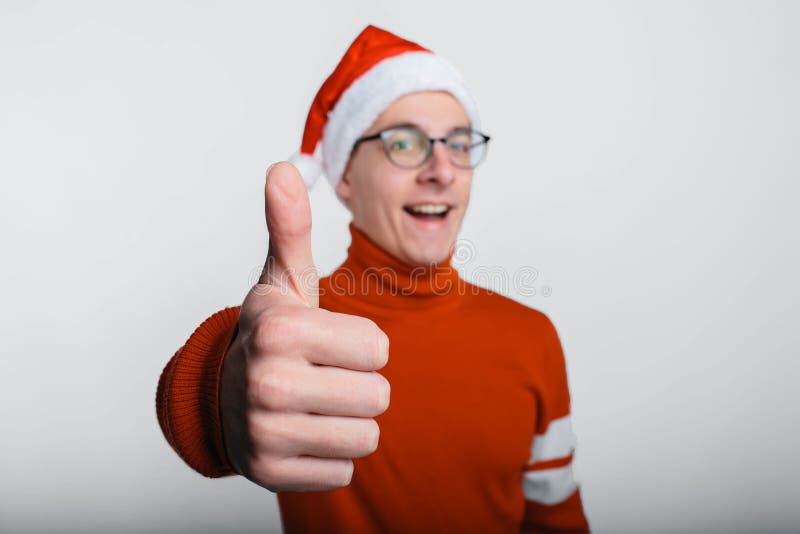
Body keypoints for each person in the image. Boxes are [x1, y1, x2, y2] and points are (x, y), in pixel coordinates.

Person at [156, 25, 590, 533]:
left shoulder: (533, 337)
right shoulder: (296, 328)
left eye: (458, 143)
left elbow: (556, 517)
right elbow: (203, 390)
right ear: (344, 175)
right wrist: (219, 393)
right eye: (404, 142)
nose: (442, 170)